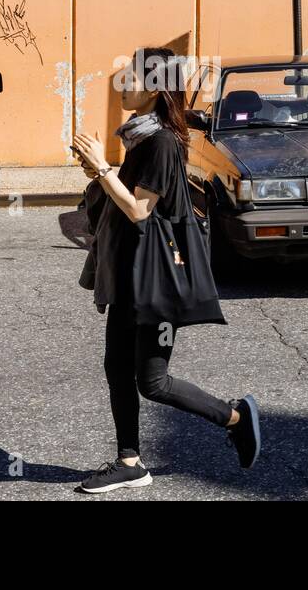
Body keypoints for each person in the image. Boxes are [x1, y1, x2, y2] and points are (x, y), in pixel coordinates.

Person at [71, 47, 260, 494]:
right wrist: (100, 173)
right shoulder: (142, 137)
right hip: (129, 275)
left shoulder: (161, 142)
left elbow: (139, 209)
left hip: (156, 280)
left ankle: (235, 417)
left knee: (152, 382)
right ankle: (130, 461)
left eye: (131, 78)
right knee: (116, 368)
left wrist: (101, 169)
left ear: (155, 87)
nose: (123, 84)